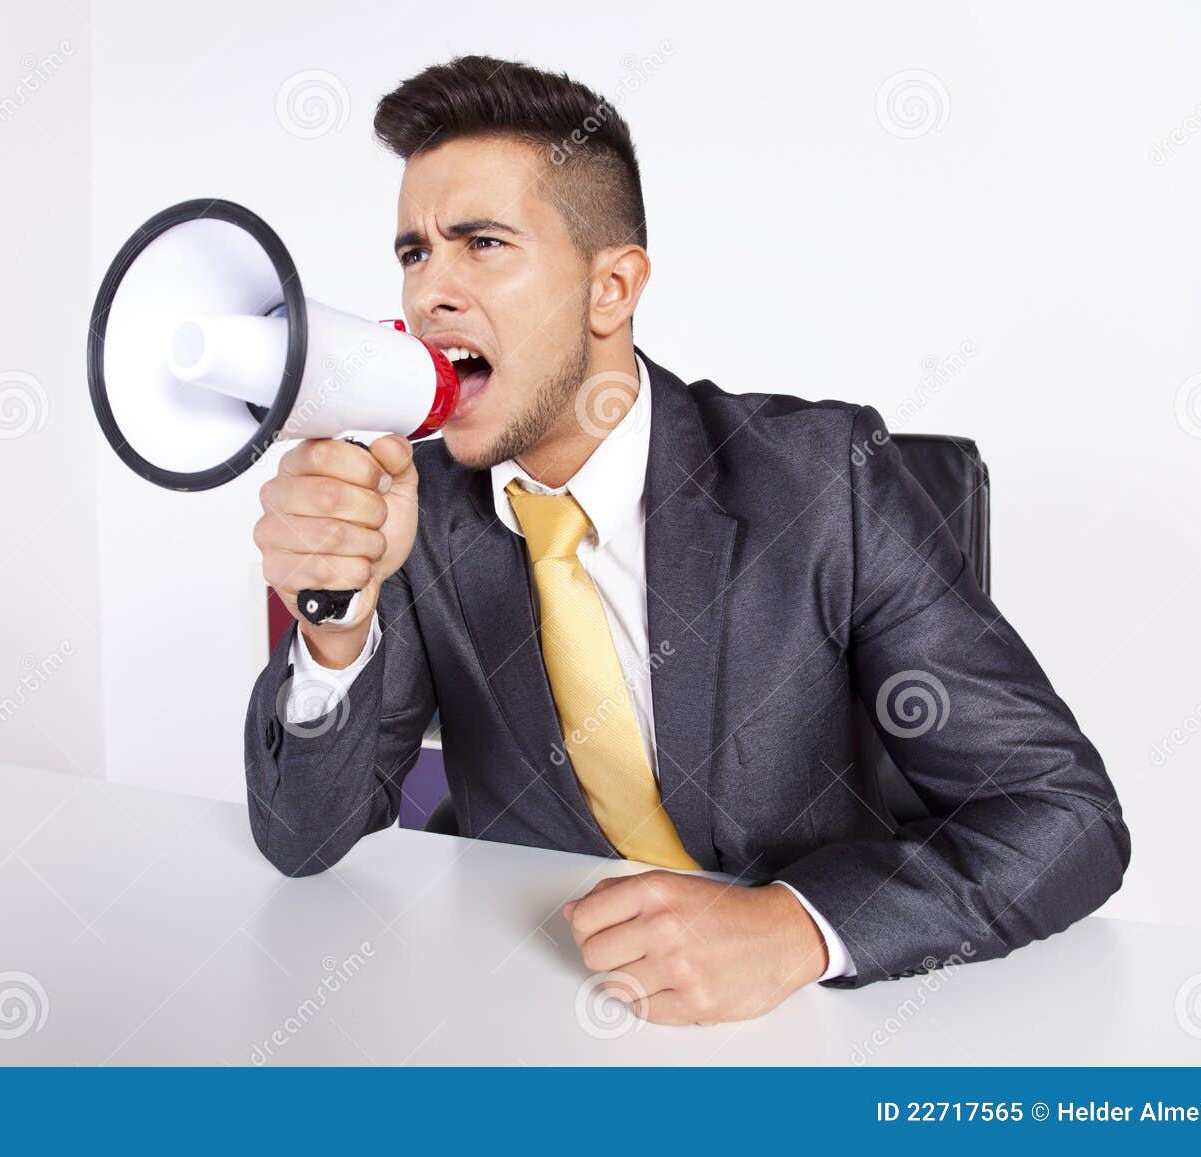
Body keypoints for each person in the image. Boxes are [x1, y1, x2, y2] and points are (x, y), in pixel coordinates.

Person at [244, 55, 1129, 1024]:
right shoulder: (418, 505)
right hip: (524, 1004)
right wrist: (332, 622)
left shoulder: (823, 478)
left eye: (482, 243)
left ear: (611, 287)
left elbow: (1063, 813)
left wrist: (795, 927)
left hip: (808, 1019)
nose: (428, 297)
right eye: (414, 253)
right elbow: (303, 837)